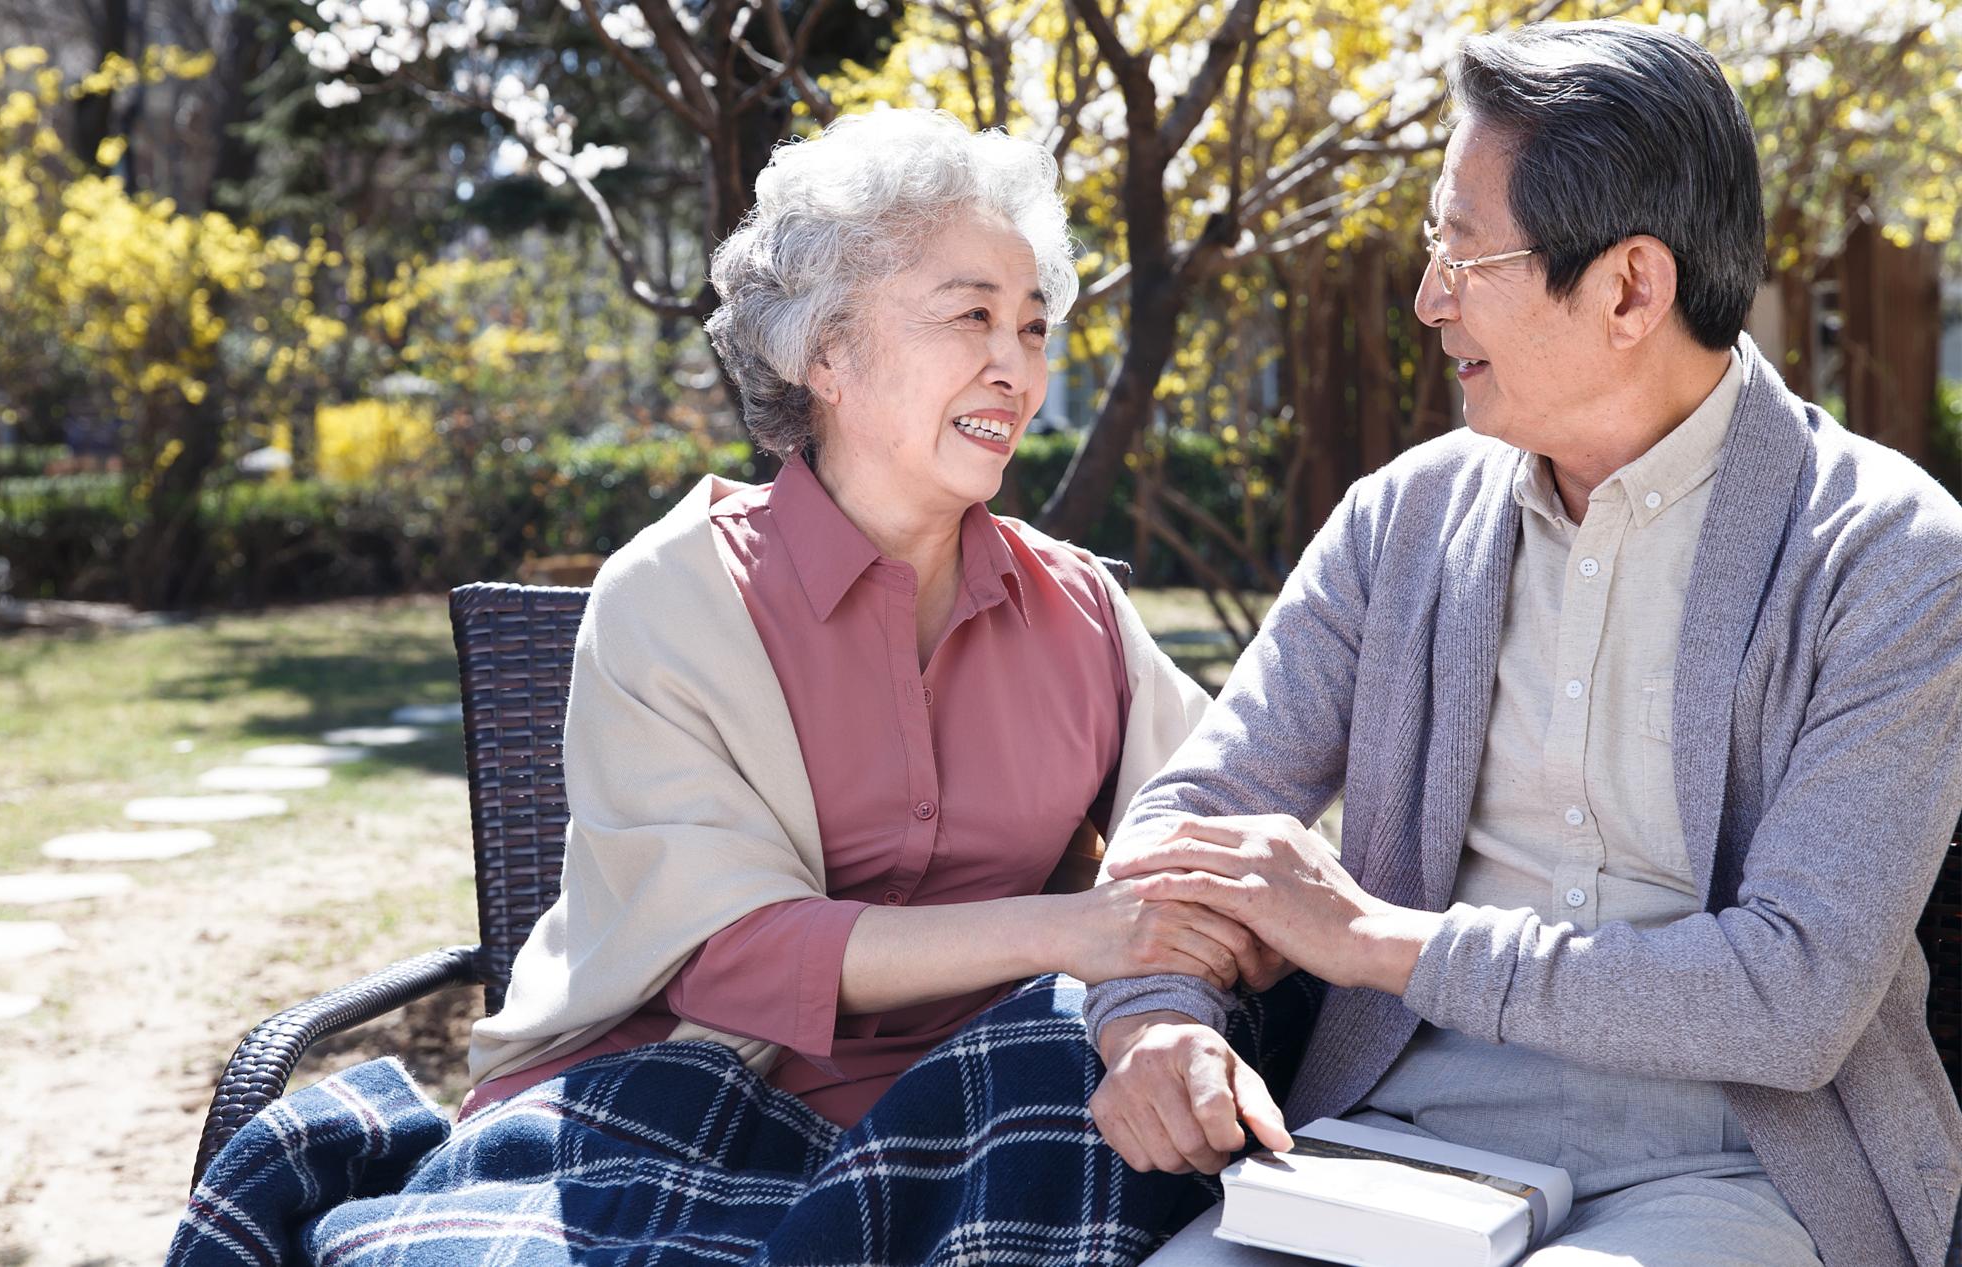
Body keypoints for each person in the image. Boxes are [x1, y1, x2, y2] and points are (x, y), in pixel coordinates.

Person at [170, 106, 1313, 1267]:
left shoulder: (1079, 610)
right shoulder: (672, 596)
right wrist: (1074, 929)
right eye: (969, 314)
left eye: (1031, 325)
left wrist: (1163, 979)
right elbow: (736, 952)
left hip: (974, 1101)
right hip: (669, 1090)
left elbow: (1217, 831)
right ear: (823, 353)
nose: (1014, 364)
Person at [1084, 19, 1962, 1267]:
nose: (1427, 298)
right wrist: (1154, 1018)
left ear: (1628, 288)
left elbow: (1791, 996)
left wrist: (1375, 941)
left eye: (1463, 252)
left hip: (1733, 1168)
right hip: (1392, 1143)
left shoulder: (1883, 553)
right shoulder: (1401, 519)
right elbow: (1195, 816)